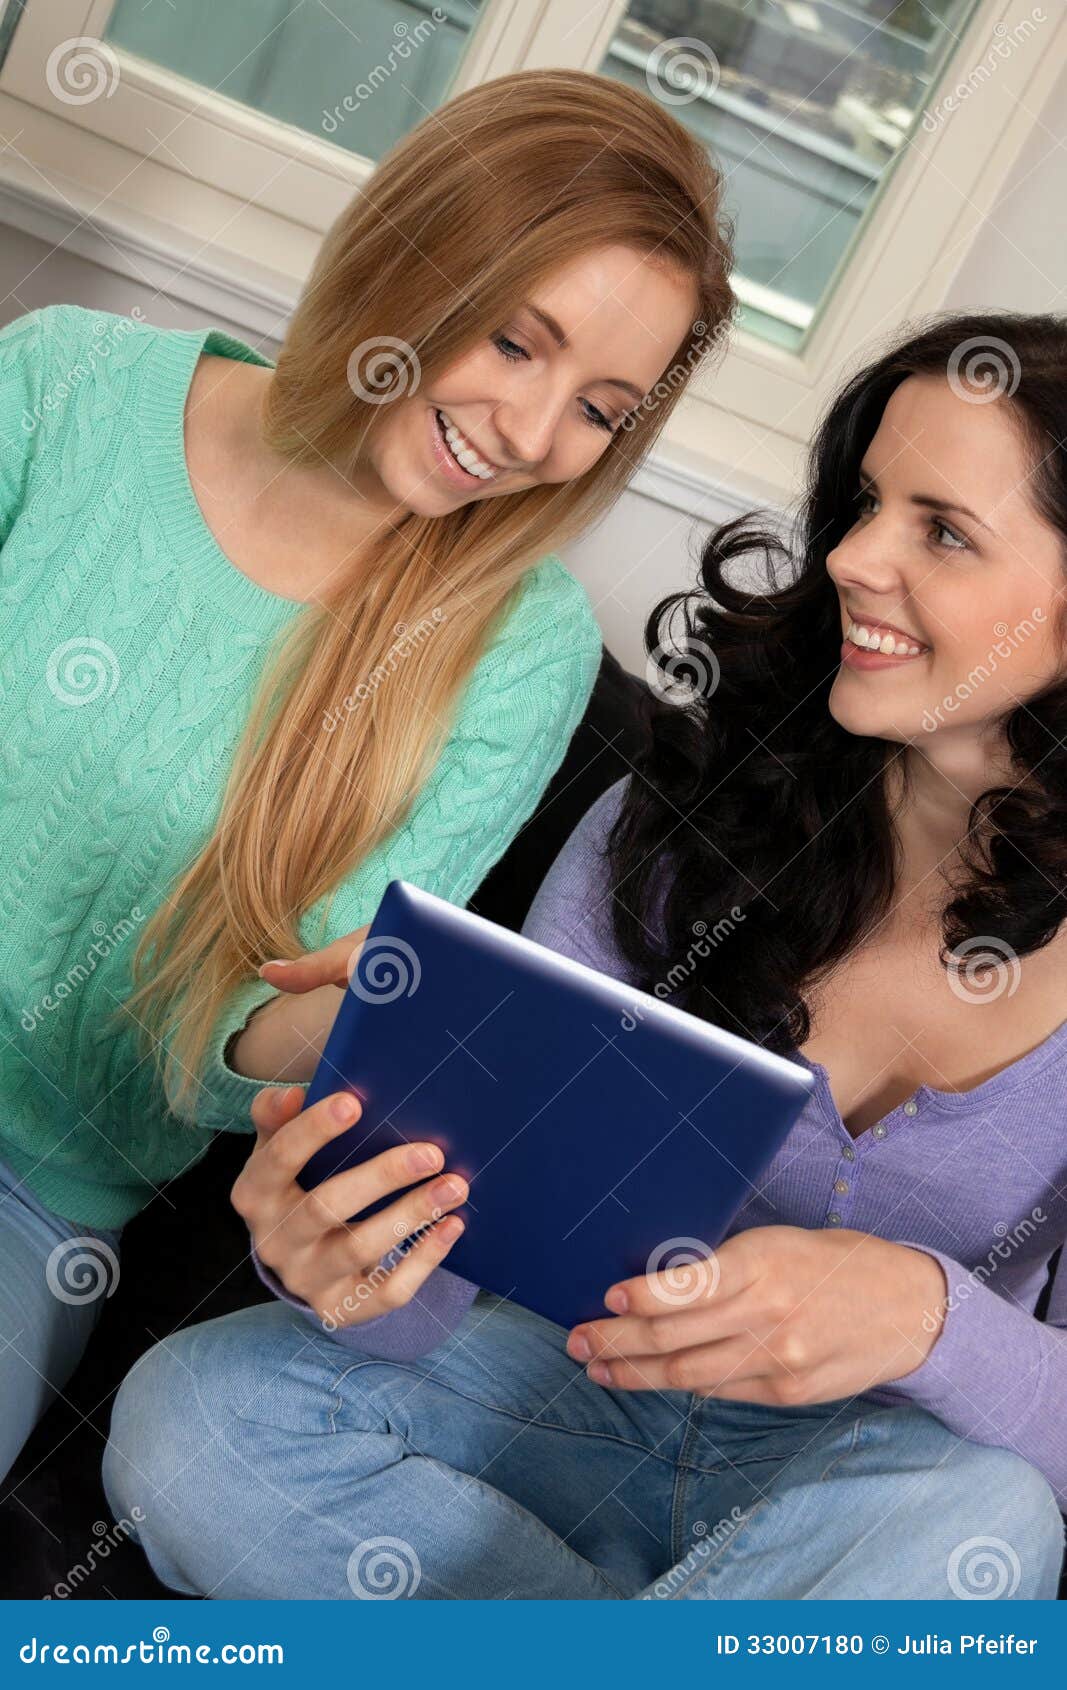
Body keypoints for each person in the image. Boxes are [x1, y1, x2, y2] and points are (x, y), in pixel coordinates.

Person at [102, 311, 1067, 1600]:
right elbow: (467, 1270)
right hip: (557, 1391)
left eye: (941, 530)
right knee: (192, 1425)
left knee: (983, 1523)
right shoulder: (684, 822)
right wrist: (359, 1264)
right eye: (866, 503)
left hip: (867, 1493)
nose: (850, 557)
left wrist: (925, 1316)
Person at [0, 67, 734, 1484]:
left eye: (600, 408)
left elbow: (220, 1024)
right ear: (415, 250)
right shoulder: (61, 386)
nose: (529, 436)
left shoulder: (515, 648)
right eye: (517, 343)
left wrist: (352, 1032)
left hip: (31, 1199)